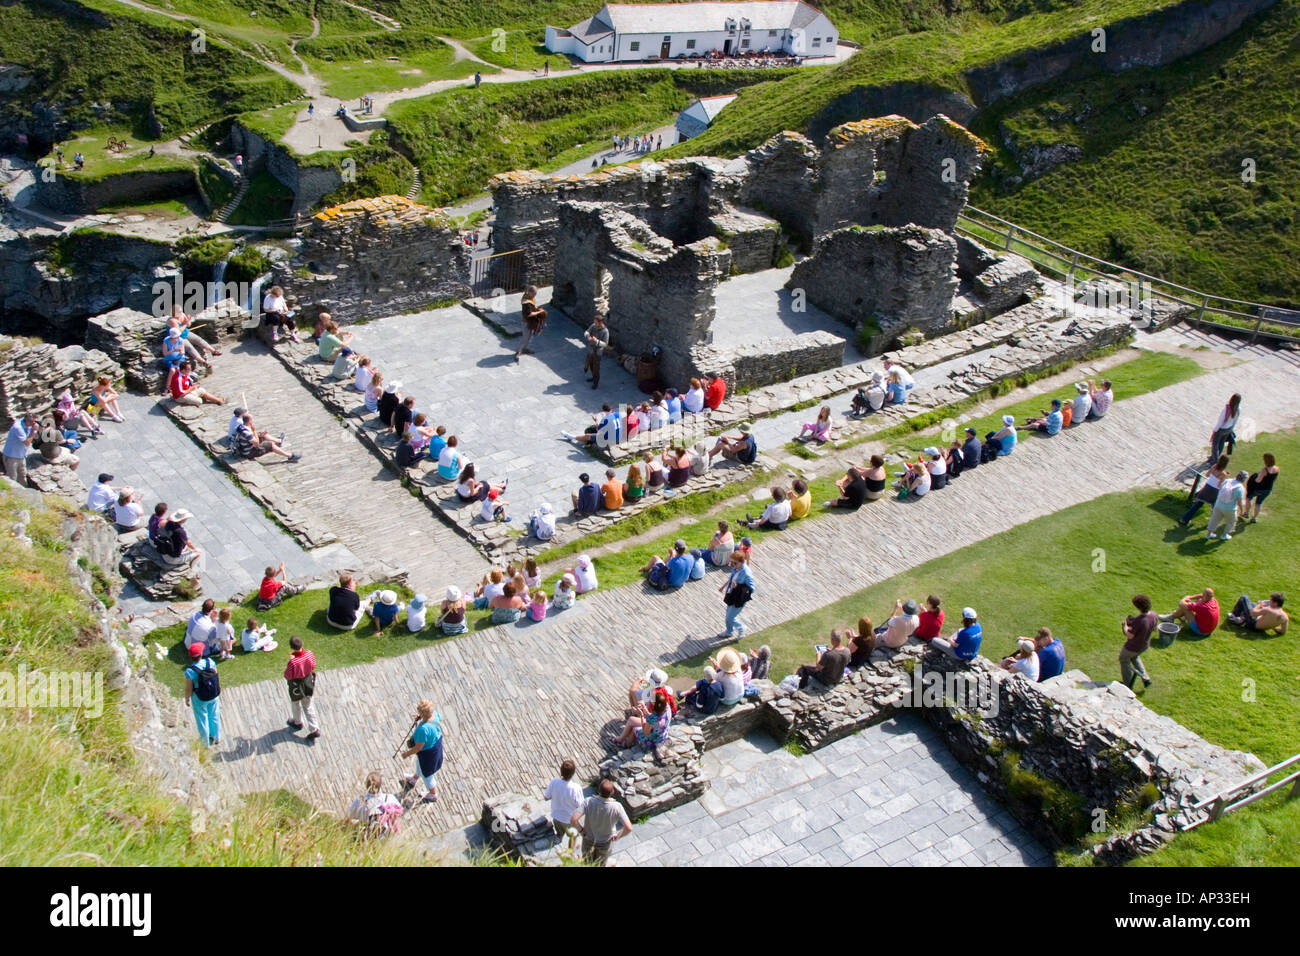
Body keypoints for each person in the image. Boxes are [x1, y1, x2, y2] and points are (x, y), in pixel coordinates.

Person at [570, 779, 632, 864]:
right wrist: (618, 836)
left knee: (586, 863)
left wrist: (581, 830)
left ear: (599, 790)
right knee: (600, 864)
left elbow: (573, 819)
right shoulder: (617, 807)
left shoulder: (588, 801)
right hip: (605, 843)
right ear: (612, 792)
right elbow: (628, 828)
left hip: (588, 839)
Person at [401, 700, 444, 804]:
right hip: (436, 747)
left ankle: (433, 794)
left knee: (427, 776)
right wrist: (421, 717)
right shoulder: (435, 715)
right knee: (419, 765)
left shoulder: (423, 730)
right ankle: (414, 778)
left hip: (428, 755)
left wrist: (407, 754)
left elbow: (418, 748)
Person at [613, 685, 672, 752]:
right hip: (662, 734)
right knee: (632, 720)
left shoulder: (652, 718)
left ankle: (626, 744)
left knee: (635, 729)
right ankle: (621, 739)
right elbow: (656, 718)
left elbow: (645, 732)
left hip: (654, 740)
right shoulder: (667, 707)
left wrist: (641, 715)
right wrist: (644, 709)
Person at [183, 644, 221, 747]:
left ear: (190, 657)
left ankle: (205, 743)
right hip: (213, 694)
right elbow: (216, 676)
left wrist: (187, 699)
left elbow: (189, 689)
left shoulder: (190, 671)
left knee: (202, 719)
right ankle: (216, 737)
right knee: (214, 715)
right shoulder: (210, 662)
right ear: (201, 654)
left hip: (199, 697)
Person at [283, 635, 320, 739]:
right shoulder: (309, 654)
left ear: (291, 647)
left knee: (295, 704)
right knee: (307, 706)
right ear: (302, 644)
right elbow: (313, 665)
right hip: (308, 682)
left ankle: (297, 722)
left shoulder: (292, 662)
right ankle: (314, 728)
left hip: (296, 685)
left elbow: (288, 675)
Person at [1179, 455, 1230, 527]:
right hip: (1214, 491)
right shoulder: (1223, 474)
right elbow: (1219, 485)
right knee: (1215, 509)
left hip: (1207, 488)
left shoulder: (1214, 467)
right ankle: (1212, 524)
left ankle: (1184, 519)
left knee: (1198, 504)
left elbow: (1207, 474)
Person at [346, 772, 403, 836]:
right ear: (380, 785)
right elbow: (399, 811)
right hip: (384, 837)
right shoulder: (390, 799)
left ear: (366, 785)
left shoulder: (359, 802)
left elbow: (349, 815)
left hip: (366, 836)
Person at [1120, 594, 1157, 689]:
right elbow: (1154, 629)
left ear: (1138, 607)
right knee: (1134, 658)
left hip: (1132, 647)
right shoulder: (1153, 615)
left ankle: (1126, 685)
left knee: (1124, 660)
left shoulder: (1139, 621)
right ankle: (1146, 679)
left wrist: (1125, 627)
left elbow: (1130, 635)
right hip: (1144, 645)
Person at [718, 549, 755, 640]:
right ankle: (729, 632)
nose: (732, 565)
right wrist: (723, 587)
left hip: (739, 597)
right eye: (731, 563)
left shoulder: (746, 573)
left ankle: (741, 628)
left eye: (734, 563)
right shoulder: (736, 568)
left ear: (741, 562)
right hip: (732, 594)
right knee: (728, 616)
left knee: (730, 617)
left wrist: (739, 587)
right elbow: (731, 578)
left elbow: (752, 588)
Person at [234, 413, 301, 461]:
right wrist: (254, 430)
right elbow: (256, 443)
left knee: (263, 435)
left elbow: (251, 438)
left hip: (247, 445)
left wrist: (260, 435)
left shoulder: (242, 426)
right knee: (270, 444)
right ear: (249, 421)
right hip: (248, 452)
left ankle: (279, 441)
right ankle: (289, 456)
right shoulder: (246, 432)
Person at [1204, 470, 1248, 541]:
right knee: (1231, 522)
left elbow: (1219, 486)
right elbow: (1239, 502)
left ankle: (1208, 534)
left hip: (1218, 504)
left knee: (1214, 519)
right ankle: (1224, 535)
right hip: (1230, 508)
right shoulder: (1240, 488)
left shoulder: (1228, 481)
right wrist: (1242, 511)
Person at [544, 760, 583, 838]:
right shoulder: (576, 788)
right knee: (572, 838)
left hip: (556, 817)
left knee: (560, 835)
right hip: (569, 820)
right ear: (573, 774)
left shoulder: (554, 782)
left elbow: (546, 797)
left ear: (561, 771)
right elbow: (581, 806)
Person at [3, 412, 36, 485]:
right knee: (12, 477)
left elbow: (35, 437)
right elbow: (27, 442)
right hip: (12, 456)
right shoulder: (18, 427)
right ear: (27, 421)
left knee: (23, 476)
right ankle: (12, 494)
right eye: (32, 422)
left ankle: (25, 493)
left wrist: (38, 429)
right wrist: (33, 431)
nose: (34, 424)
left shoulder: (30, 425)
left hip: (21, 455)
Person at [1245, 452, 1280, 522]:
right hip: (1268, 489)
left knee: (1248, 498)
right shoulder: (1277, 468)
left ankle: (1246, 513)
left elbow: (1258, 480)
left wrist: (1254, 477)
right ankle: (1254, 518)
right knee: (1259, 503)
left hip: (1259, 489)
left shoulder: (1265, 470)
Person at [1209, 393, 1241, 463]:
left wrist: (1215, 430)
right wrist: (1231, 429)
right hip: (1229, 429)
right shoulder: (1238, 409)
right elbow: (1235, 421)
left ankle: (1214, 460)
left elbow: (1220, 421)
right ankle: (1216, 457)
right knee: (1221, 443)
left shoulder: (1227, 409)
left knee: (1215, 445)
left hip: (1222, 429)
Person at [583, 314, 610, 389]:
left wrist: (596, 341)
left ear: (600, 322)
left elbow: (605, 344)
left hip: (597, 352)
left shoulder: (605, 331)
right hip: (591, 350)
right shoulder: (593, 326)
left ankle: (596, 382)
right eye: (594, 322)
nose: (594, 323)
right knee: (590, 365)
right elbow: (587, 332)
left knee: (596, 368)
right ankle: (592, 377)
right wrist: (588, 336)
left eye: (596, 322)